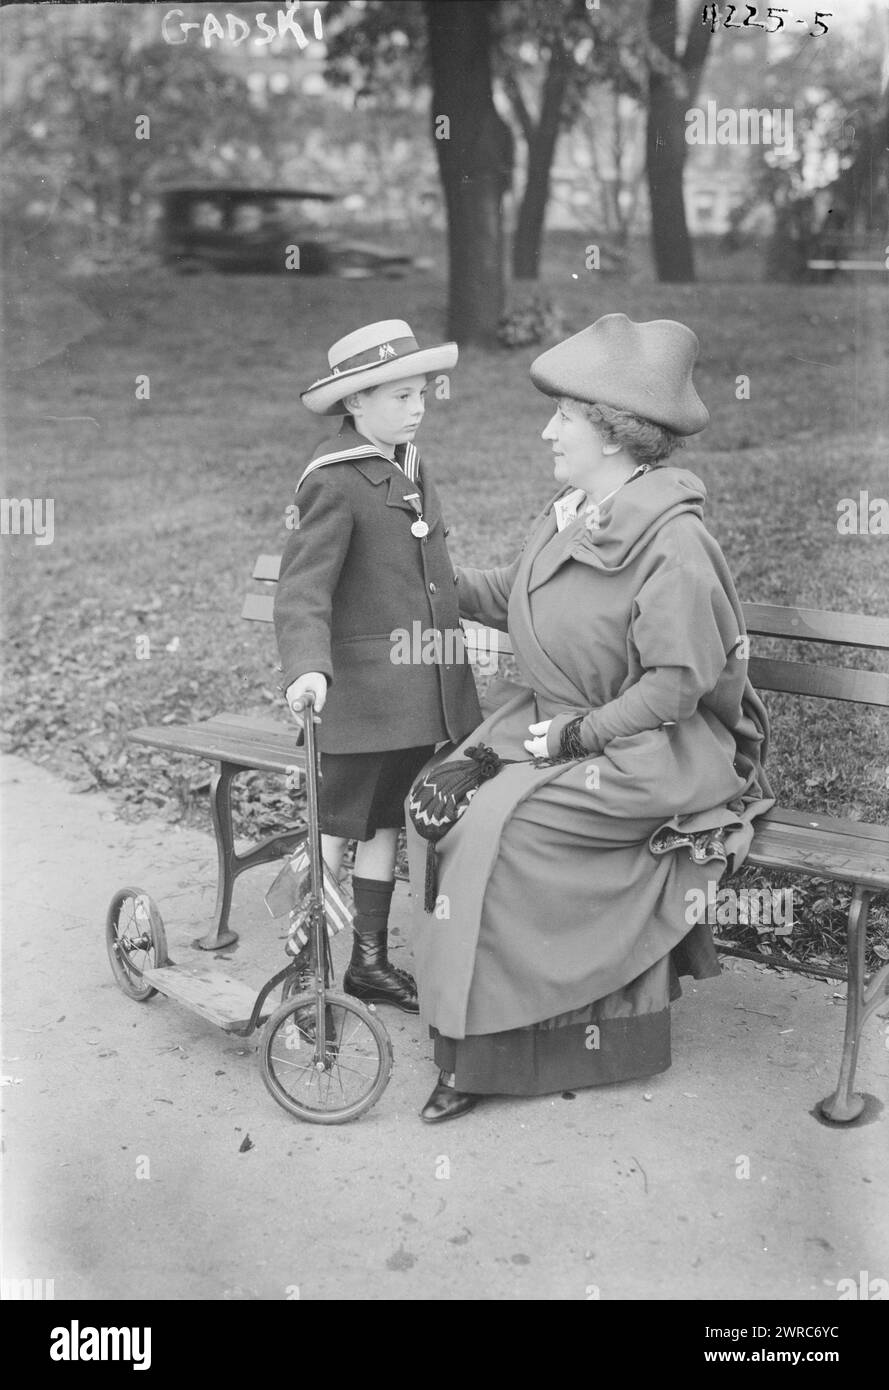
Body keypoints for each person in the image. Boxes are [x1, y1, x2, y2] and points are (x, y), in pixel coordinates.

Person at [405, 313, 775, 1121]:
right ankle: (473, 1021)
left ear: (611, 433)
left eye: (562, 416)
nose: (547, 431)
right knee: (441, 803)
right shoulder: (572, 508)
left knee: (503, 834)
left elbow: (675, 689)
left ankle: (505, 1050)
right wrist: (424, 572)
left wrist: (575, 738)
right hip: (553, 722)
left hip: (650, 746)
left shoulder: (673, 545)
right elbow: (514, 596)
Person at [275, 319, 482, 1012]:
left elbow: (430, 574)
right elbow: (303, 588)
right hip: (362, 700)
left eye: (420, 392)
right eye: (398, 396)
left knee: (386, 823)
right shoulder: (334, 480)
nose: (416, 405)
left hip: (416, 696)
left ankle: (366, 961)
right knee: (335, 828)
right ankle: (308, 971)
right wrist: (307, 667)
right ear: (355, 404)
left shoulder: (409, 464)